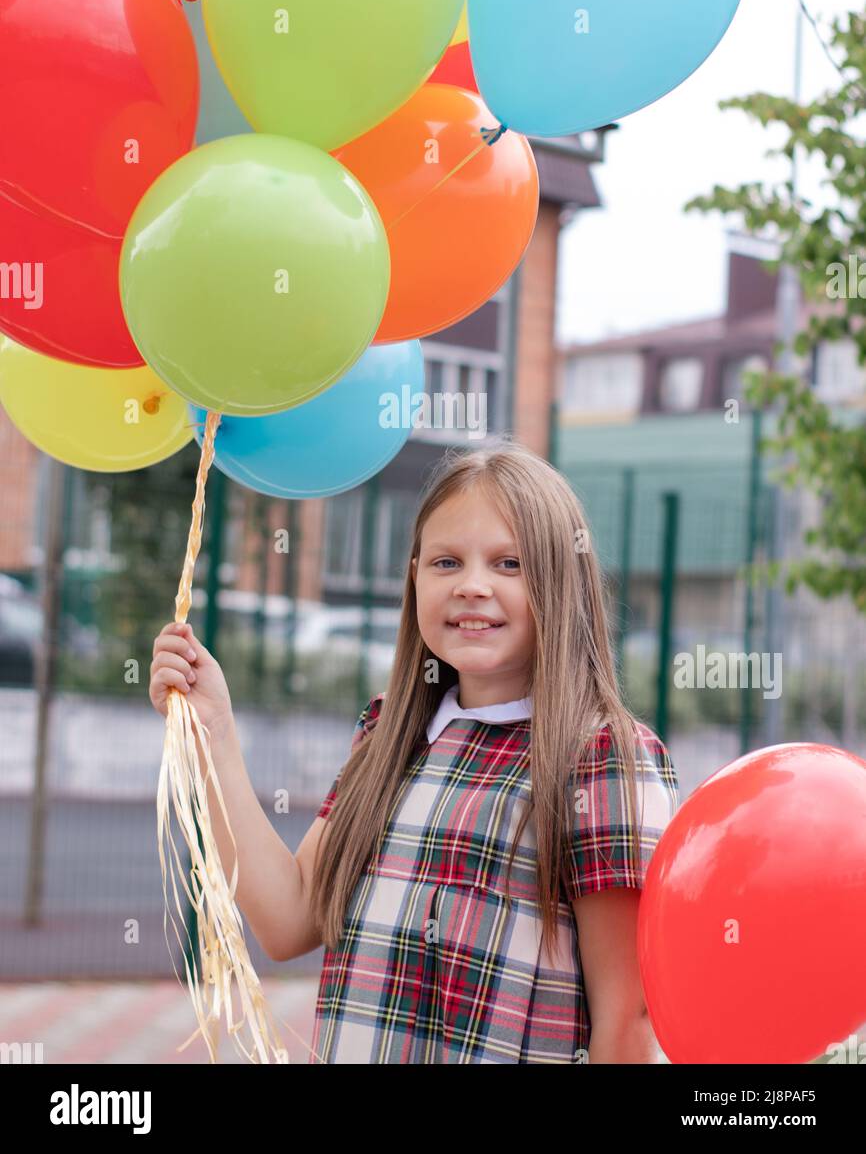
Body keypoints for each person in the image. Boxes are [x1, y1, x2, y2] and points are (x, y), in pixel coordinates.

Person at [149, 439, 679, 1064]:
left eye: (509, 564)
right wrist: (213, 735)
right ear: (414, 575)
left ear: (563, 578)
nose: (472, 586)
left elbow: (630, 1021)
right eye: (446, 562)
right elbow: (289, 918)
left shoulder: (602, 757)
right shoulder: (390, 731)